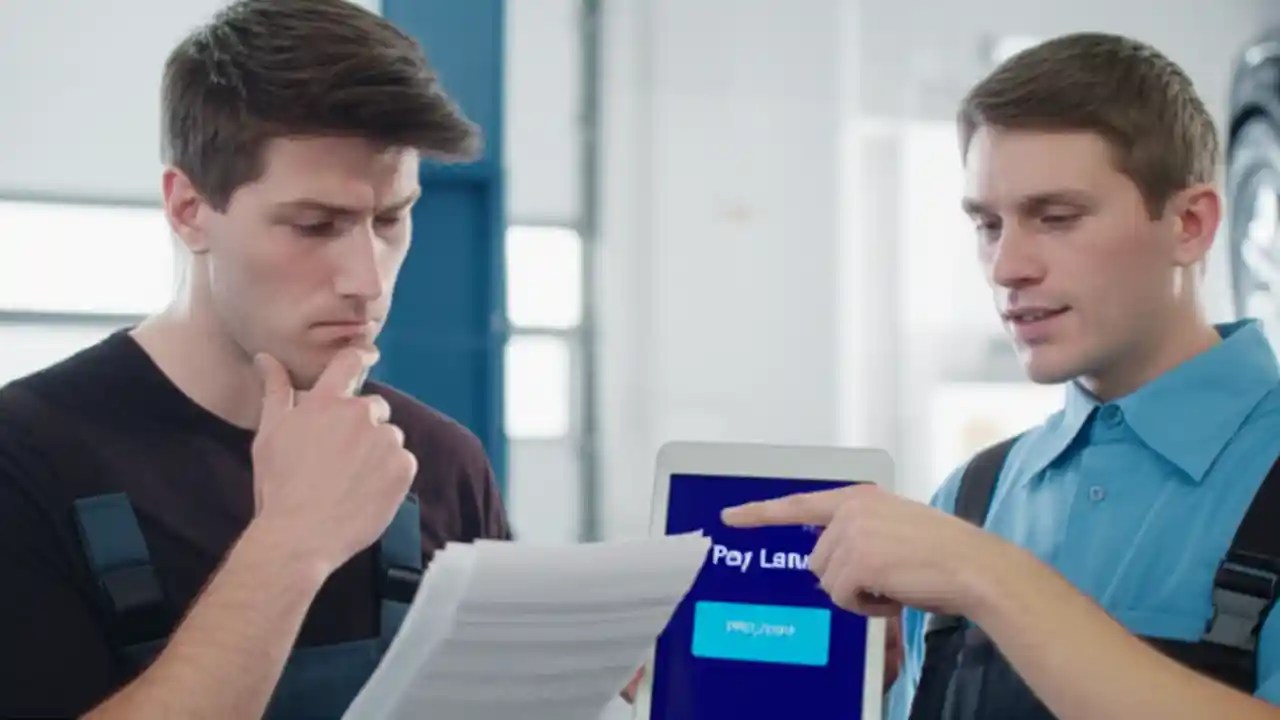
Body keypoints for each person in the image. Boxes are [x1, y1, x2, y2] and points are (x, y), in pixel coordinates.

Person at [722, 32, 1280, 719]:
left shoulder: (964, 546)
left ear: (1190, 224)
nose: (1007, 267)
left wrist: (986, 576)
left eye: (1056, 218)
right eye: (988, 224)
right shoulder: (971, 497)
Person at [0, 1, 513, 718]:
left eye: (391, 219)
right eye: (314, 225)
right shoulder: (26, 458)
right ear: (187, 209)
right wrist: (292, 542)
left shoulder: (441, 462)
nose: (367, 280)